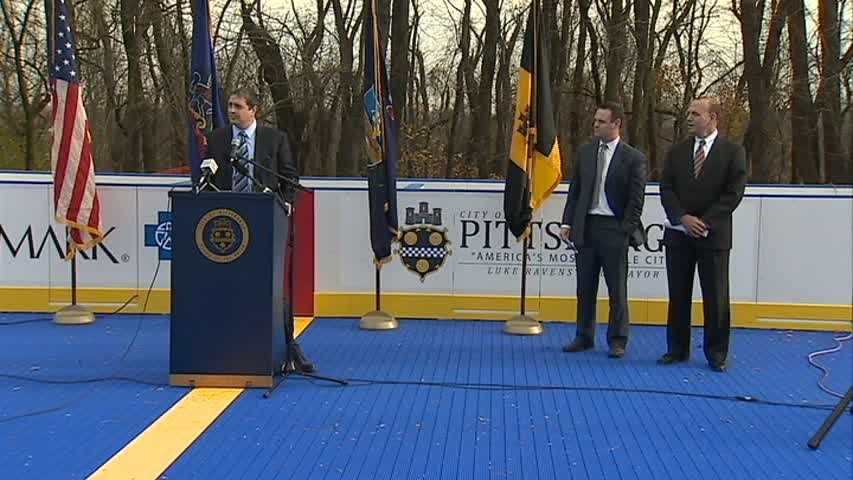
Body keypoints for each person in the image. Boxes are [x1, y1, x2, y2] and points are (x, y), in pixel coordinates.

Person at [208, 90, 316, 374]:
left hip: (266, 219)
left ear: (254, 110)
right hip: (227, 221)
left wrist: (288, 202)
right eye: (230, 106)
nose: (232, 111)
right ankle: (229, 342)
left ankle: (285, 345)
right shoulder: (218, 138)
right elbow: (209, 174)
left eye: (238, 106)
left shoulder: (274, 138)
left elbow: (289, 176)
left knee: (270, 284)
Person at [658, 96, 746, 372]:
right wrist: (682, 218)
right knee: (679, 294)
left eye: (696, 113)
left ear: (712, 118)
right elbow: (667, 188)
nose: (690, 118)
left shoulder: (733, 152)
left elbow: (733, 194)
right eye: (690, 113)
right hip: (679, 235)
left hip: (713, 236)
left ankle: (717, 353)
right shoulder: (677, 152)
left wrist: (704, 222)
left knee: (716, 296)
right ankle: (677, 349)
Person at [559, 102, 647, 358]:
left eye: (601, 121)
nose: (595, 124)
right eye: (595, 120)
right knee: (585, 287)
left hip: (614, 228)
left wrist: (624, 230)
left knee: (616, 288)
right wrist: (568, 223)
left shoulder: (633, 158)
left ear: (616, 123)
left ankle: (618, 340)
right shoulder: (586, 152)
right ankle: (584, 336)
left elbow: (635, 201)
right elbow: (575, 191)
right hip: (587, 226)